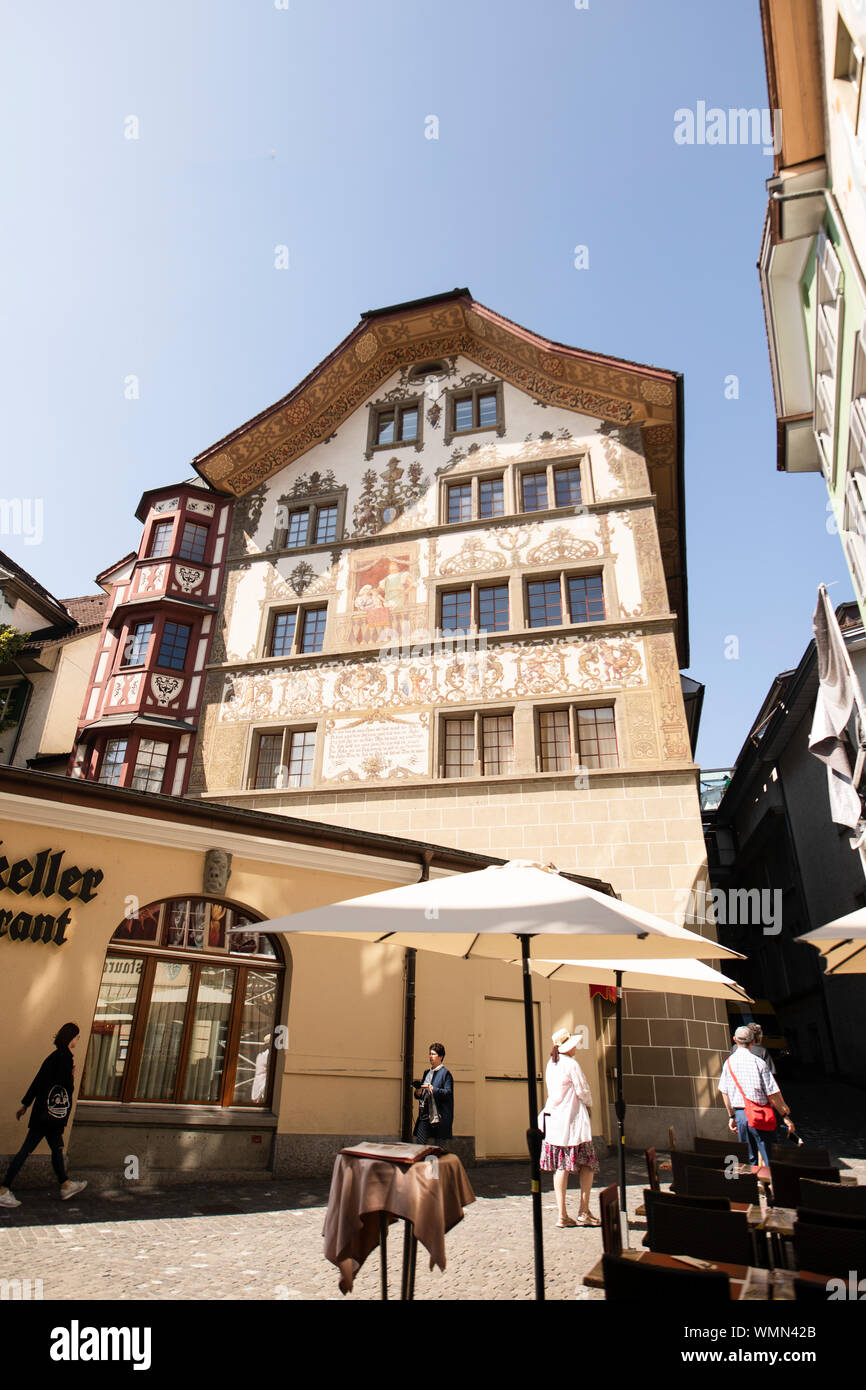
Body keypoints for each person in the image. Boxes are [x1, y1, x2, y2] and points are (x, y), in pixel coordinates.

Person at [0, 1022, 88, 1207]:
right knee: (26, 1150)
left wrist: (25, 1104)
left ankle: (65, 1184)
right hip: (51, 1115)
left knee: (56, 1148)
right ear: (71, 1038)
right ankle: (4, 1189)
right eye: (77, 1037)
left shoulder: (53, 1057)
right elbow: (64, 1089)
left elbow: (38, 1081)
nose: (78, 1040)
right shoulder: (65, 1059)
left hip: (43, 1113)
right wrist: (72, 1077)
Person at [538, 1027, 600, 1228]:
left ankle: (562, 1213)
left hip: (555, 1122)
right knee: (587, 1165)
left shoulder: (551, 1063)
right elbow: (583, 1090)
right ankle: (584, 1209)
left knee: (561, 1167)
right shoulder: (571, 1064)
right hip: (573, 1122)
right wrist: (589, 1104)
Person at [719, 1025, 795, 1175]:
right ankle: (771, 1187)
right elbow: (772, 1093)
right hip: (760, 1113)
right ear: (753, 1041)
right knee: (768, 1156)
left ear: (735, 1040)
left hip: (741, 1115)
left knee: (749, 1157)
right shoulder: (759, 1063)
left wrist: (731, 1116)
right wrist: (785, 1115)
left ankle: (752, 1186)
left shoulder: (728, 1063)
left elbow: (724, 1091)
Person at [412, 1043, 453, 1147]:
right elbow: (422, 1092)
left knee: (437, 1147)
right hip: (424, 1114)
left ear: (441, 1056)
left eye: (433, 1054)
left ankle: (434, 1163)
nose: (431, 1056)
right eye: (430, 1054)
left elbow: (448, 1093)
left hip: (438, 1116)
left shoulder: (445, 1074)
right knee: (420, 1144)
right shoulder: (427, 1073)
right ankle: (422, 1163)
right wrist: (418, 1092)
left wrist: (434, 1089)